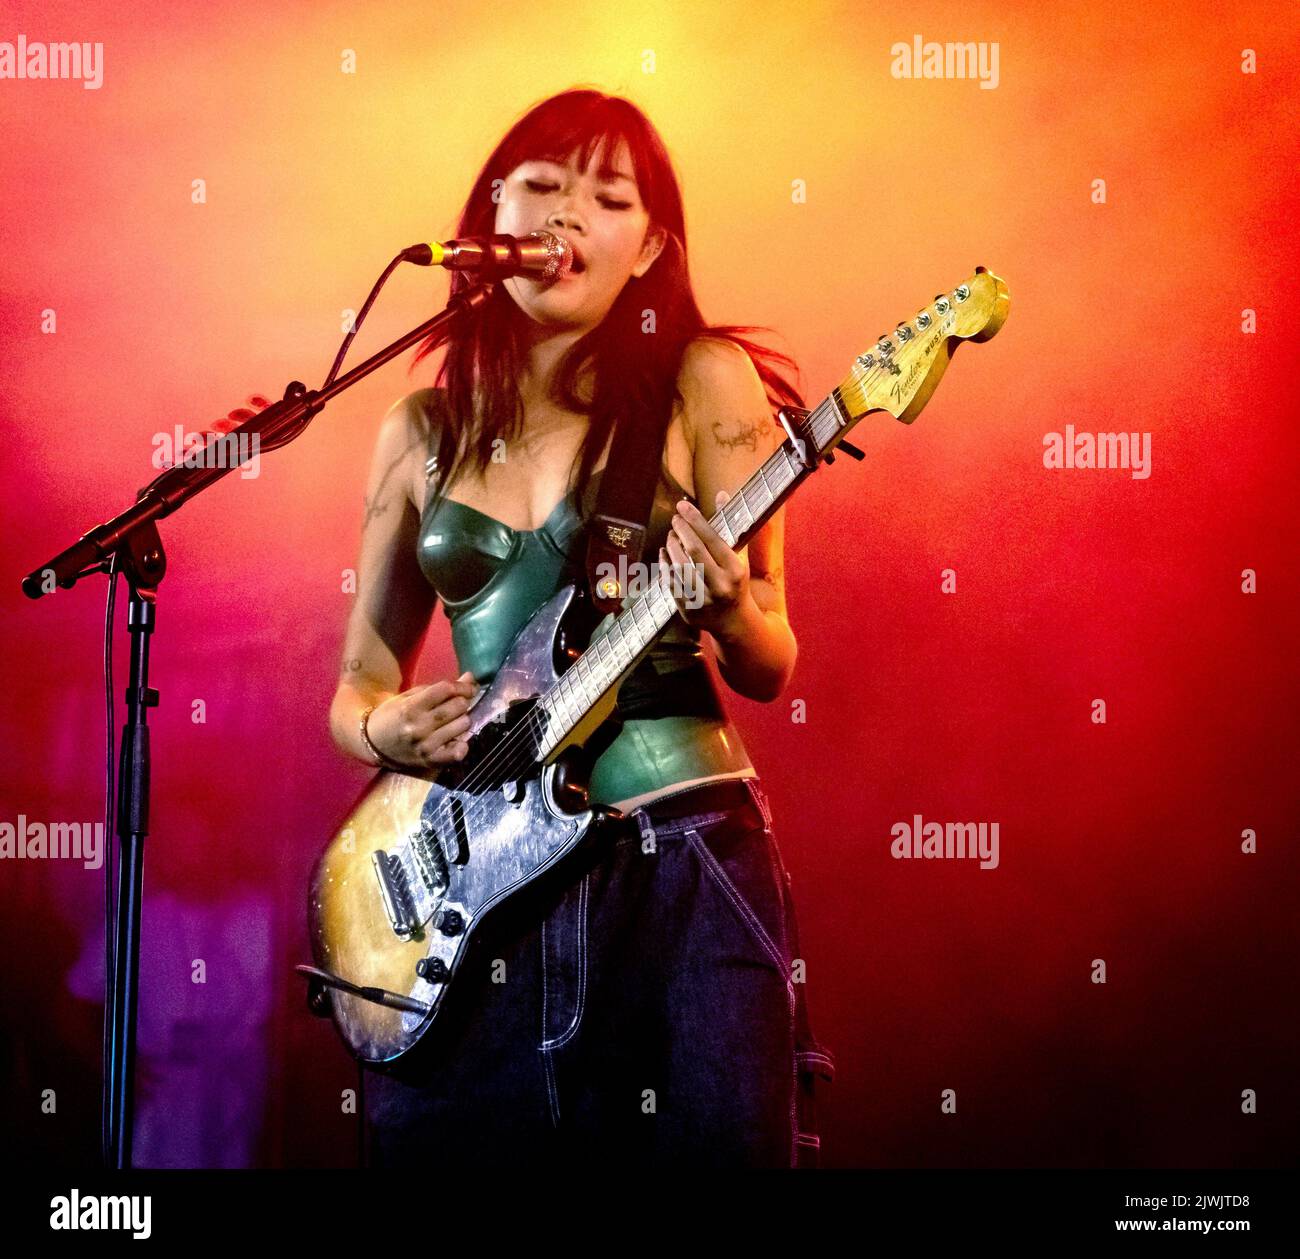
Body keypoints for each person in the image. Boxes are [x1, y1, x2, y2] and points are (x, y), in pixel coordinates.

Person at [328, 88, 835, 1168]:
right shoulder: (419, 427)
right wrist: (388, 731)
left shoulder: (705, 380)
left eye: (606, 199)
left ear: (650, 245)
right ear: (491, 212)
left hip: (676, 866)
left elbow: (772, 658)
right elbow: (356, 686)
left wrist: (727, 607)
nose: (564, 218)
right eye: (541, 186)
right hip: (471, 896)